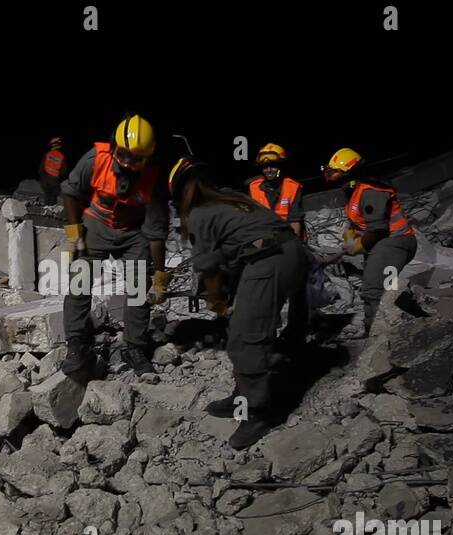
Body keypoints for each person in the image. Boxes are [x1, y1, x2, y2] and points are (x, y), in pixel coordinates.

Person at [169, 156, 307, 449]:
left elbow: (208, 267)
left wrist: (217, 302)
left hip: (269, 259)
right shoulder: (234, 200)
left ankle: (257, 411)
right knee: (240, 326)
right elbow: (233, 253)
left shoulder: (200, 213)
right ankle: (244, 394)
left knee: (245, 337)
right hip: (286, 253)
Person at [59, 114, 171, 376]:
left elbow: (156, 233)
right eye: (124, 155)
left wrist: (159, 275)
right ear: (113, 146)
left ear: (148, 158)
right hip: (96, 222)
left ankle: (134, 348)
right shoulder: (94, 159)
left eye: (137, 159)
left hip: (133, 230)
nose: (129, 164)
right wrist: (75, 233)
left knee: (138, 288)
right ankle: (76, 343)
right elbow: (70, 191)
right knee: (79, 281)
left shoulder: (154, 177)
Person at [322, 147, 417, 336]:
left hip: (396, 241)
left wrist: (357, 247)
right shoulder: (354, 192)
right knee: (376, 286)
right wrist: (349, 237)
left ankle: (380, 334)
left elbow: (378, 230)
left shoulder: (371, 192)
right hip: (383, 243)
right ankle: (384, 325)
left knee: (373, 289)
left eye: (339, 176)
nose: (337, 182)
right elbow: (355, 222)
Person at [245, 143, 308, 346]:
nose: (268, 170)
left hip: (290, 238)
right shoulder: (253, 186)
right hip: (264, 240)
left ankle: (295, 334)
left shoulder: (293, 187)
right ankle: (266, 330)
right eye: (265, 167)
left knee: (296, 288)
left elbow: (295, 222)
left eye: (272, 165)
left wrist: (294, 253)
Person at [39, 137, 68, 204]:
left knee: (47, 194)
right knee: (54, 194)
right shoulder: (61, 156)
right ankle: (51, 209)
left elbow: (41, 168)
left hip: (45, 178)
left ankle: (46, 208)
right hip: (54, 179)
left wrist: (42, 177)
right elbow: (64, 171)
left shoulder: (48, 154)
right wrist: (59, 177)